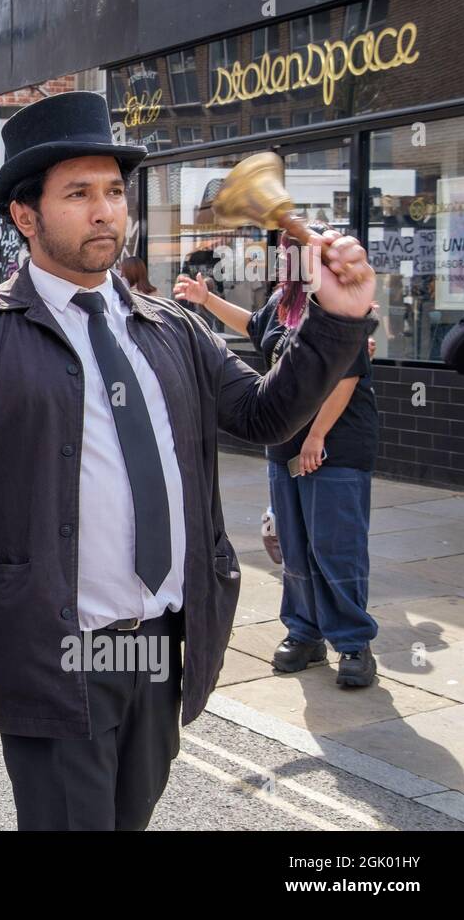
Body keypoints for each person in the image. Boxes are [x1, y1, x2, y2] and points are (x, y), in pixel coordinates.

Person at [0, 91, 377, 831]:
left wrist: (335, 321)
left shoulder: (171, 328)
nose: (105, 212)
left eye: (115, 192)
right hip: (52, 648)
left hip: (158, 646)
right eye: (79, 193)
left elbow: (264, 413)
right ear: (26, 216)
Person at [175, 227, 380, 686]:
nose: (285, 262)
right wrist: (205, 300)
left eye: (295, 255)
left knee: (335, 547)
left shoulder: (336, 306)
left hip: (336, 448)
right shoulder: (284, 304)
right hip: (285, 444)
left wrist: (316, 437)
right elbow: (254, 326)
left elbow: (346, 378)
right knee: (293, 548)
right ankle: (304, 633)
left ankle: (352, 642)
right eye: (284, 256)